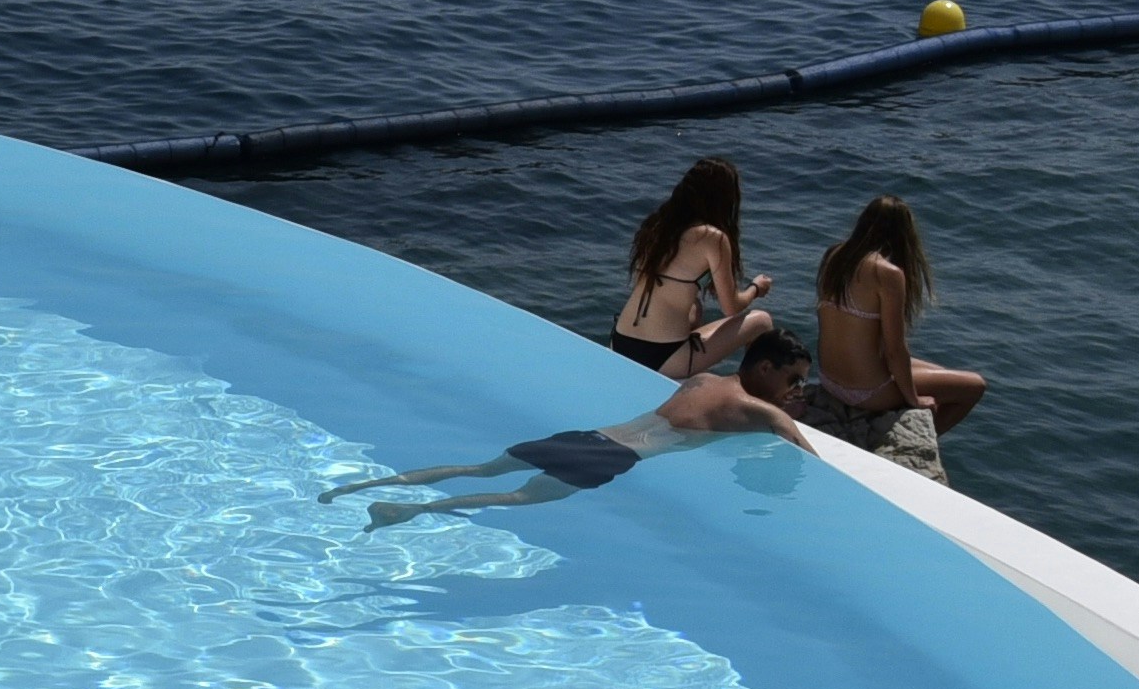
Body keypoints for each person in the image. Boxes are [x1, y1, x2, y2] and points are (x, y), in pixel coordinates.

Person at [324, 327, 819, 525]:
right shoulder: (765, 412)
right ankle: (409, 511)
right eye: (792, 380)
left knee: (480, 469)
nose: (795, 392)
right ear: (766, 369)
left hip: (592, 435)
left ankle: (362, 485)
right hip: (615, 458)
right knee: (515, 499)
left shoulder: (705, 379)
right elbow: (812, 463)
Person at [806, 195, 988, 441]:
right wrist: (914, 400)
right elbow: (895, 351)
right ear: (904, 234)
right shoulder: (887, 273)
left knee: (941, 372)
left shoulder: (834, 256)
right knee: (975, 386)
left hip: (830, 381)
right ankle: (919, 437)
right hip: (866, 391)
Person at [607, 159, 764, 374]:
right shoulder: (712, 237)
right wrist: (756, 288)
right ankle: (754, 393)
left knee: (694, 309)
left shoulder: (658, 225)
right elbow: (731, 308)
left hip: (620, 343)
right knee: (761, 321)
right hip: (663, 355)